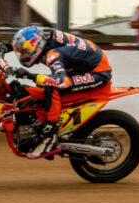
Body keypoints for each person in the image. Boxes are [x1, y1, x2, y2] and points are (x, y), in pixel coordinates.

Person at [7, 26, 113, 158]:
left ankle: (50, 135)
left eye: (24, 52)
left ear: (35, 48)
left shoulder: (53, 55)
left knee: (50, 85)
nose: (23, 56)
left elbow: (63, 81)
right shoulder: (47, 43)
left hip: (97, 73)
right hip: (86, 66)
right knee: (41, 85)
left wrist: (30, 76)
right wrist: (11, 47)